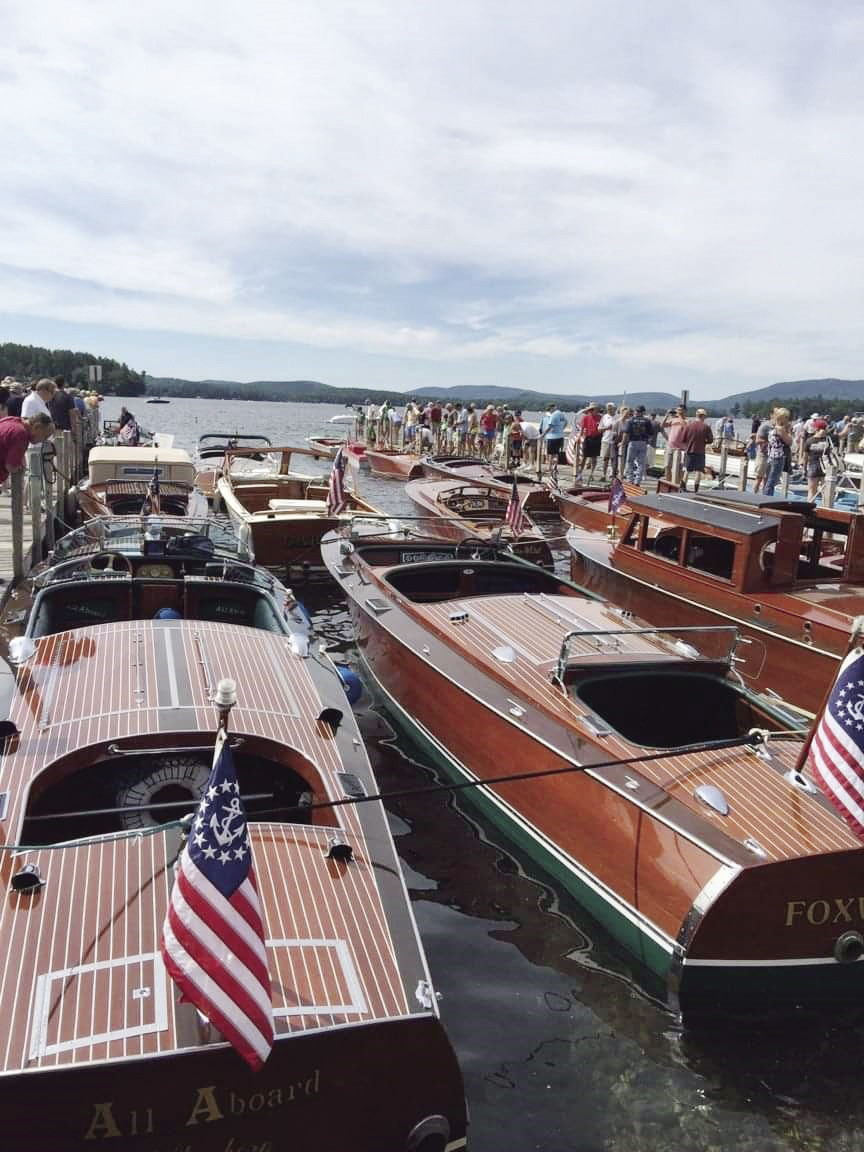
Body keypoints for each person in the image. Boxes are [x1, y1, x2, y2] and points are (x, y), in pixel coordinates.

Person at [0, 412, 54, 483]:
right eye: (45, 436)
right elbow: (11, 467)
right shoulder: (21, 434)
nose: (43, 441)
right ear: (37, 426)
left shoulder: (10, 420)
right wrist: (20, 467)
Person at [620, 405, 656, 485]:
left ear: (636, 411)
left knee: (630, 461)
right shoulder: (647, 421)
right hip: (643, 442)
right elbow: (651, 433)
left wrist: (622, 443)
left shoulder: (630, 420)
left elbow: (626, 433)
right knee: (641, 463)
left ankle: (630, 480)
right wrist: (647, 441)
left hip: (633, 442)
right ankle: (638, 481)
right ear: (643, 412)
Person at [680, 409, 714, 492]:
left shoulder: (688, 425)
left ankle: (683, 488)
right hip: (700, 452)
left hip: (689, 451)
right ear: (703, 416)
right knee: (698, 471)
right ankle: (696, 490)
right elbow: (710, 440)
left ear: (696, 415)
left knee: (687, 470)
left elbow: (683, 439)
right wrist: (704, 442)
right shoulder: (706, 427)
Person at [762, 408, 793, 496]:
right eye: (787, 417)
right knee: (772, 480)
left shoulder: (774, 428)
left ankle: (765, 496)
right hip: (778, 457)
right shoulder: (780, 429)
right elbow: (789, 442)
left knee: (769, 479)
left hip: (771, 456)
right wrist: (789, 432)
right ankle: (767, 498)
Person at [661, 405, 688, 482]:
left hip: (681, 448)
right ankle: (668, 482)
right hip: (670, 446)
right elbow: (662, 425)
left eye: (680, 410)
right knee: (667, 466)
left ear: (684, 411)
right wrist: (666, 415)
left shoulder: (687, 421)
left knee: (680, 468)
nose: (678, 411)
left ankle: (678, 483)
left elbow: (687, 429)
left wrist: (680, 417)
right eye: (677, 410)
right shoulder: (673, 420)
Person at [804, 427, 831, 501]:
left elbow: (805, 456)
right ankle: (813, 507)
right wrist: (804, 468)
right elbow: (805, 456)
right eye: (824, 428)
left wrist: (805, 468)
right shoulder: (827, 440)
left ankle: (811, 508)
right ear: (817, 430)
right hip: (819, 466)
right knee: (816, 491)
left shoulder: (809, 440)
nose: (825, 430)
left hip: (822, 467)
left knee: (821, 491)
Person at [577, 402, 602, 483]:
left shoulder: (600, 417)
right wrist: (579, 437)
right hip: (588, 438)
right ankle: (580, 473)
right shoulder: (585, 418)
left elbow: (602, 428)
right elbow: (581, 429)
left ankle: (592, 474)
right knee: (584, 457)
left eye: (595, 409)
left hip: (597, 438)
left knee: (594, 458)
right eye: (592, 409)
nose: (594, 411)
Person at [543, 404, 567, 472]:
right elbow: (566, 422)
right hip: (560, 436)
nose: (549, 412)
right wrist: (561, 429)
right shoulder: (561, 413)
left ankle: (550, 467)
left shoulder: (553, 415)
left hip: (552, 437)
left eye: (549, 410)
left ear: (552, 408)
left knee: (551, 454)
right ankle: (555, 467)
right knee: (556, 453)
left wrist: (543, 435)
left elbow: (549, 426)